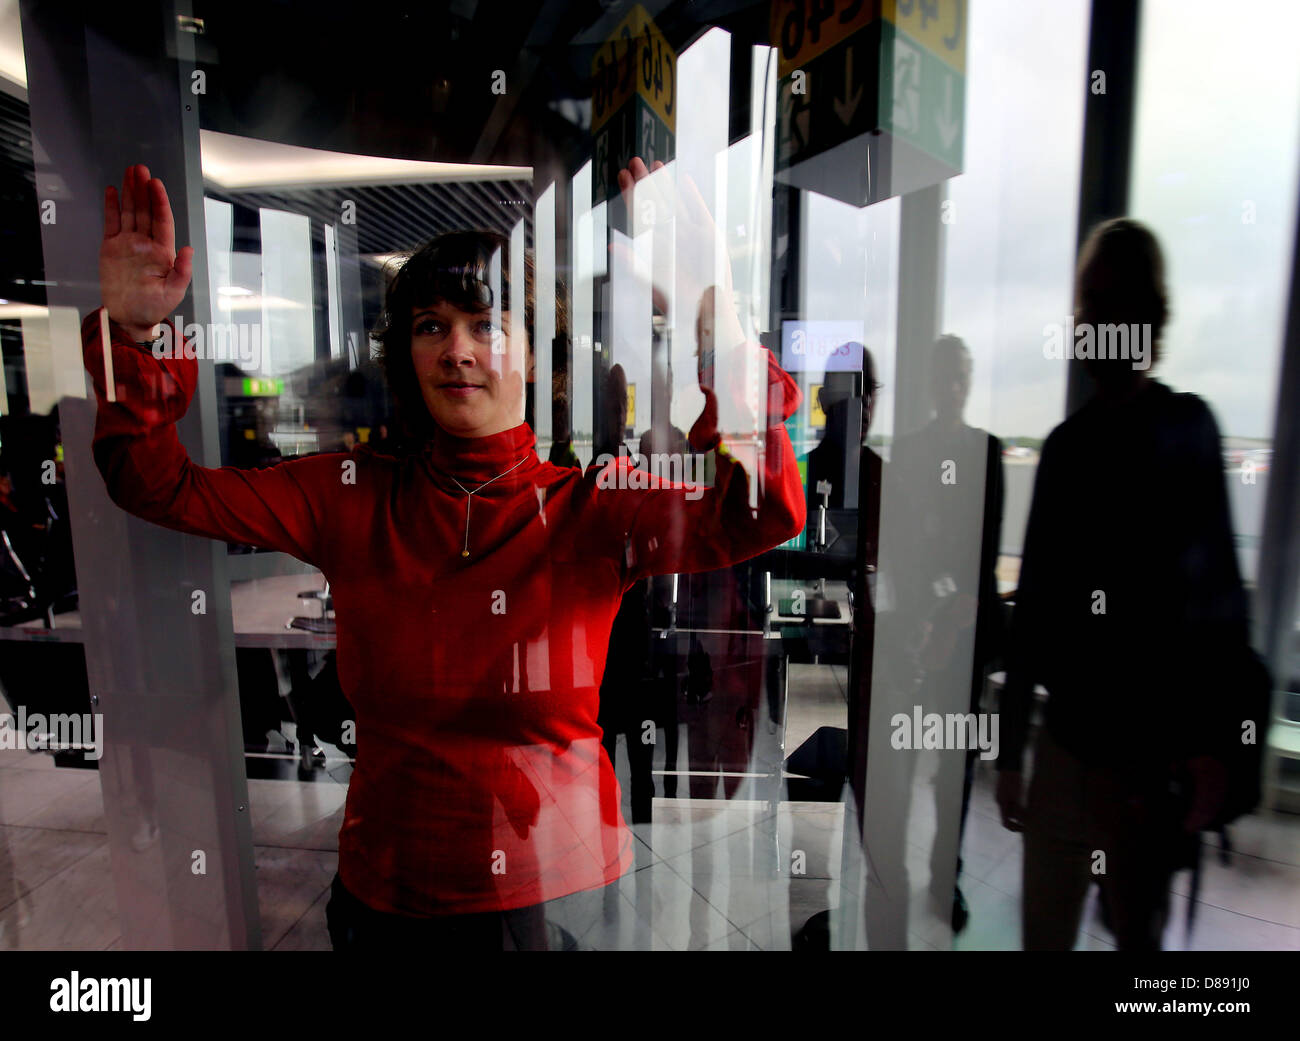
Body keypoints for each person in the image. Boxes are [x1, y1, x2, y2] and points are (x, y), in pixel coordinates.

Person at [83, 160, 805, 950]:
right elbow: (158, 486)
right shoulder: (350, 493)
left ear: (536, 356)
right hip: (384, 900)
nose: (457, 349)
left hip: (551, 898)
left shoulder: (593, 506)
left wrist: (717, 319)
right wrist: (132, 336)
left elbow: (765, 510)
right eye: (431, 325)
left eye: (487, 324)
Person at [995, 218, 1251, 950]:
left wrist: (1015, 748)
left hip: (1128, 756)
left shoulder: (1090, 444)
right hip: (1101, 750)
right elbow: (1217, 605)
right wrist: (1014, 748)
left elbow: (1216, 608)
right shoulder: (1148, 435)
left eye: (1106, 307)